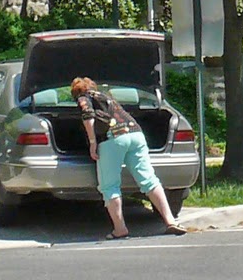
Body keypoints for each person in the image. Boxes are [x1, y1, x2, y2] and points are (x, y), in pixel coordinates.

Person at [71, 75, 186, 239]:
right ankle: (170, 221)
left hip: (113, 138)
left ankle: (120, 229)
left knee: (109, 186)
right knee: (149, 180)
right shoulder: (106, 97)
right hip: (136, 134)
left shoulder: (84, 97)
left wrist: (92, 142)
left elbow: (88, 116)